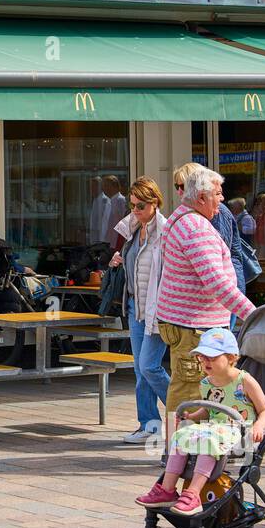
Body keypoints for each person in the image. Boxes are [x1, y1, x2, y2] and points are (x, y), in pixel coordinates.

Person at [155, 164, 256, 440]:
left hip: (188, 322)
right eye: (217, 193)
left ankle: (180, 450)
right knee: (189, 391)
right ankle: (178, 451)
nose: (222, 199)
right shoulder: (195, 227)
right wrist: (253, 314)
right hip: (194, 326)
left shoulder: (183, 218)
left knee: (187, 388)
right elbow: (217, 282)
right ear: (201, 197)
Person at [135, 328, 265, 516]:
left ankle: (193, 494)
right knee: (181, 435)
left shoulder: (244, 380)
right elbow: (209, 409)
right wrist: (191, 417)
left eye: (212, 357)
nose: (206, 361)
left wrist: (259, 426)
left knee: (208, 440)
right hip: (214, 428)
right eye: (202, 357)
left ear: (231, 357)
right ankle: (166, 489)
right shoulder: (207, 382)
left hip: (239, 431)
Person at [110, 177, 170, 445]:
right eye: (132, 205)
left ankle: (188, 413)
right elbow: (135, 264)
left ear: (155, 203)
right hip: (135, 305)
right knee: (139, 368)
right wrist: (119, 260)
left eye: (141, 205)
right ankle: (150, 424)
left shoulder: (165, 232)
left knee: (149, 366)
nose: (135, 210)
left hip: (156, 308)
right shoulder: (133, 229)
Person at [174, 163, 250, 297]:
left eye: (183, 186)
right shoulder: (188, 213)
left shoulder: (216, 211)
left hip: (224, 294)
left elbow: (217, 261)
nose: (179, 192)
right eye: (177, 186)